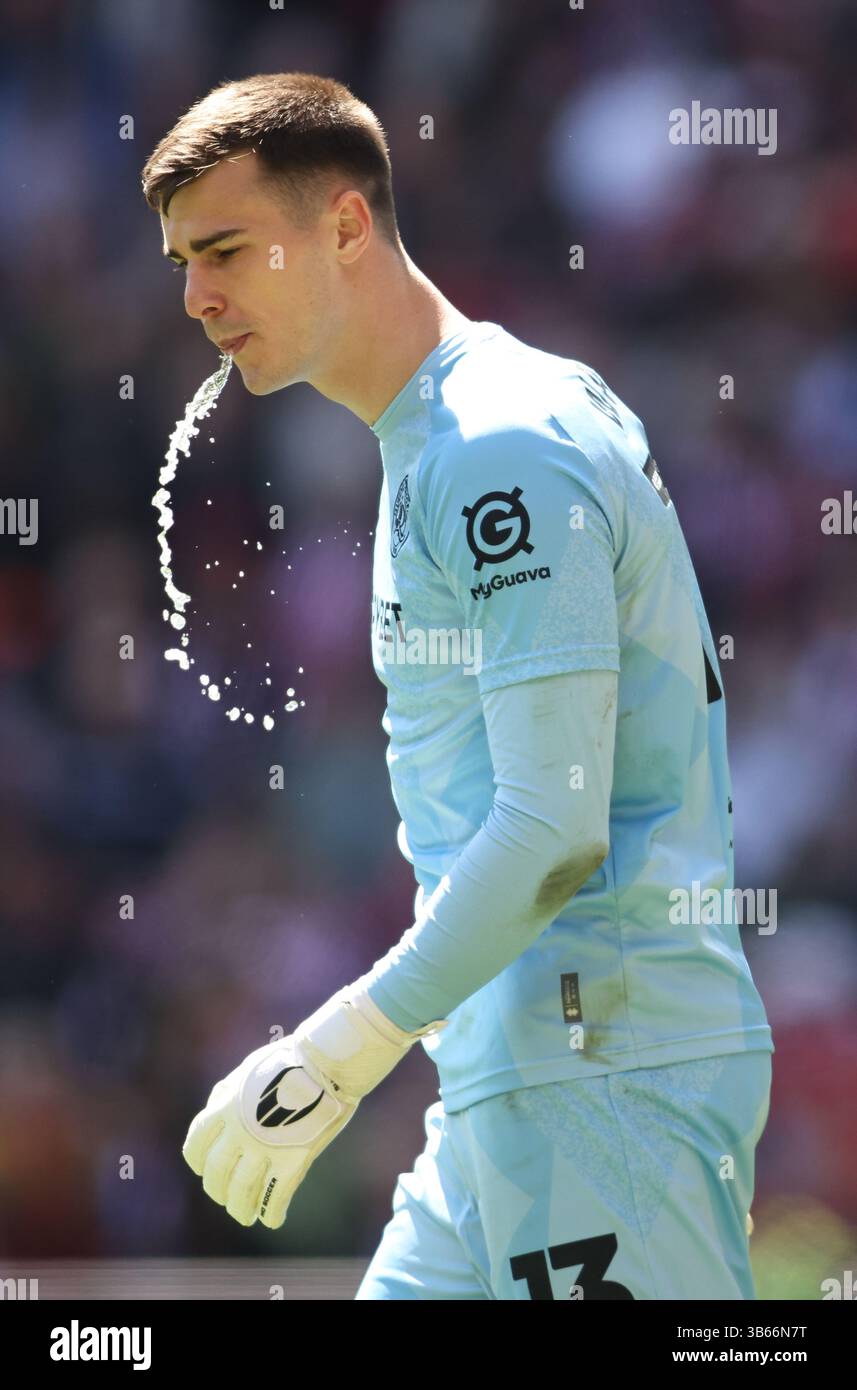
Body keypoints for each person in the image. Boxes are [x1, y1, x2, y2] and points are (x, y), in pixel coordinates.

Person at [142, 71, 773, 1300]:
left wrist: (340, 1048)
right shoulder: (442, 437)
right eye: (178, 261)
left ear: (342, 225)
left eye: (222, 248)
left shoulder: (498, 447)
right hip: (512, 1081)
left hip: (605, 1083)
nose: (196, 297)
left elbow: (552, 824)